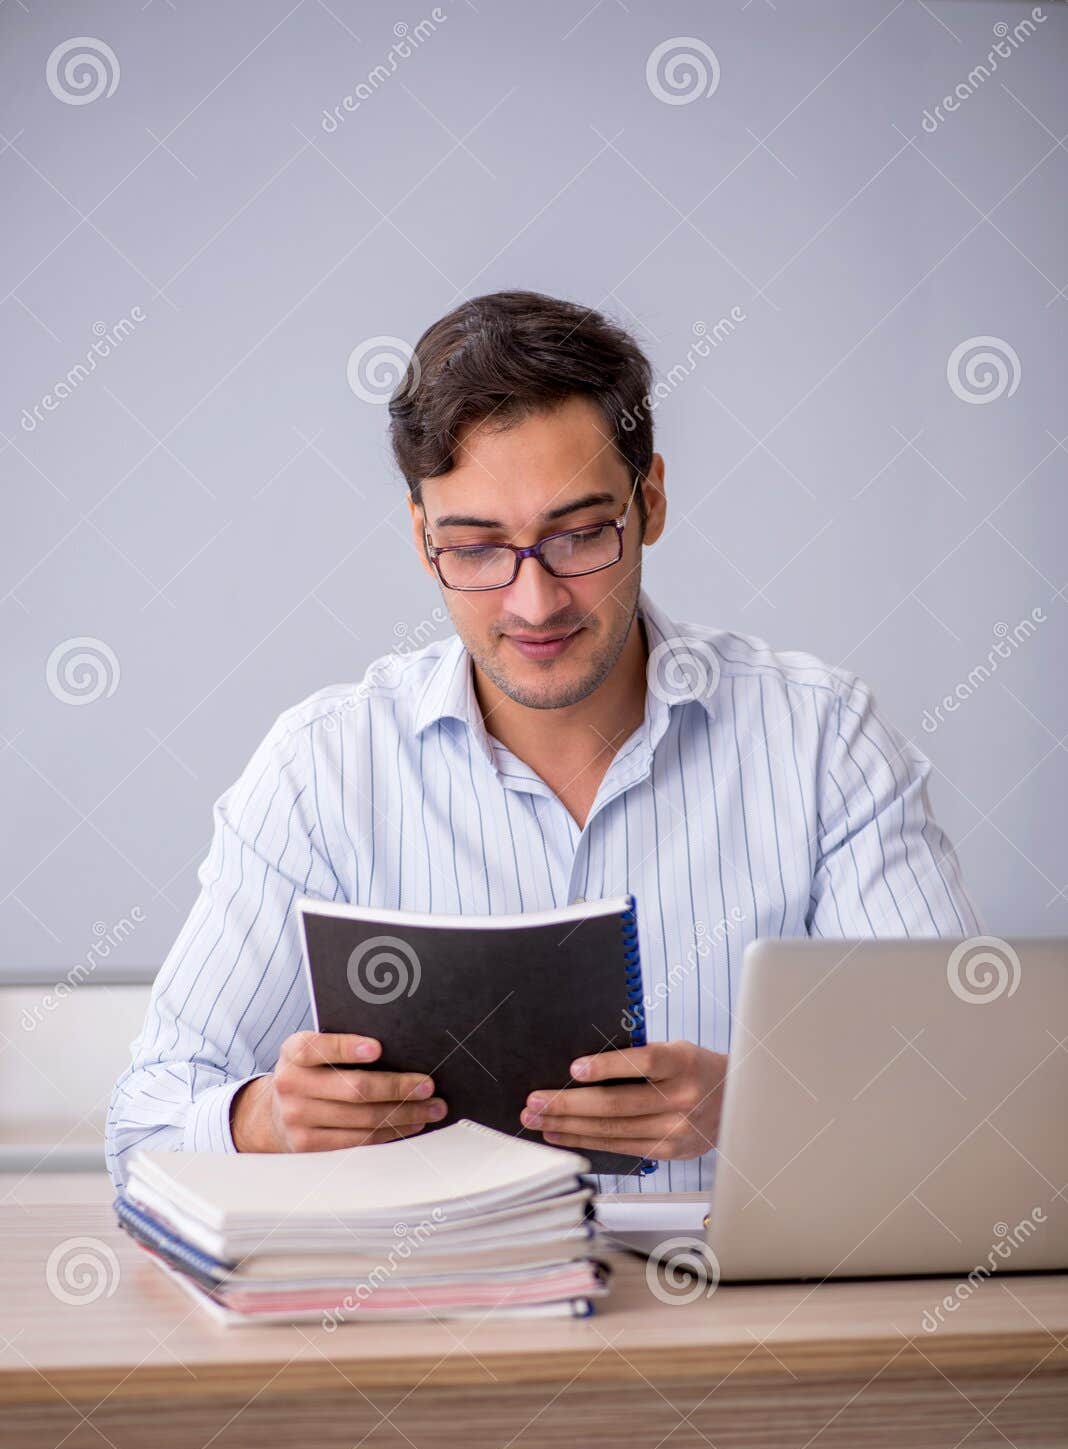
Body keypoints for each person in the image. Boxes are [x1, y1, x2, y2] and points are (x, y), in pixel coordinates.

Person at [106, 290, 979, 1197]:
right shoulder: (321, 770)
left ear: (652, 503)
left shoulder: (823, 743)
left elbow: (970, 1099)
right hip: (439, 1326)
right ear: (421, 539)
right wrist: (270, 1121)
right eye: (478, 549)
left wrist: (758, 1102)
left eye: (577, 536)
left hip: (743, 1327)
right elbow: (143, 1130)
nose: (535, 603)